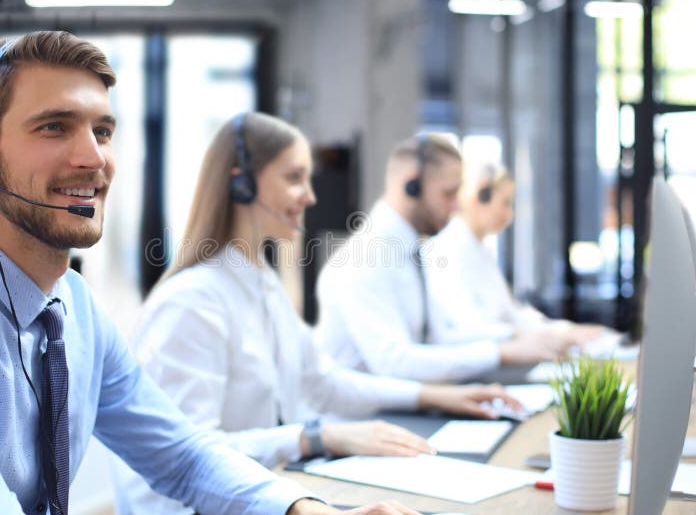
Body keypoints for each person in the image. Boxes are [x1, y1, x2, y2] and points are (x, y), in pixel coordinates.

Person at [0, 31, 422, 515]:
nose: (93, 157)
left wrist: (303, 510)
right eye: (54, 127)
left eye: (102, 131)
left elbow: (181, 453)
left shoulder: (74, 307)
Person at [112, 113, 521, 514]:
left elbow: (322, 380)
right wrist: (315, 437)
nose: (310, 196)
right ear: (241, 183)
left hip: (267, 494)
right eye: (294, 178)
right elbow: (189, 460)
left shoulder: (261, 282)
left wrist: (438, 396)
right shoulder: (191, 304)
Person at [315, 135, 575, 383]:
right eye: (449, 194)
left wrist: (520, 342)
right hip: (354, 421)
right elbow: (393, 362)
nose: (456, 206)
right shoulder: (366, 256)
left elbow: (439, 336)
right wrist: (501, 352)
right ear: (411, 186)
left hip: (394, 411)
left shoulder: (412, 251)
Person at [426, 162, 605, 345]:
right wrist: (548, 336)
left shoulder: (481, 252)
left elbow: (510, 313)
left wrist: (563, 330)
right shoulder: (445, 252)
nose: (509, 215)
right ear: (479, 197)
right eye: (505, 203)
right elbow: (470, 327)